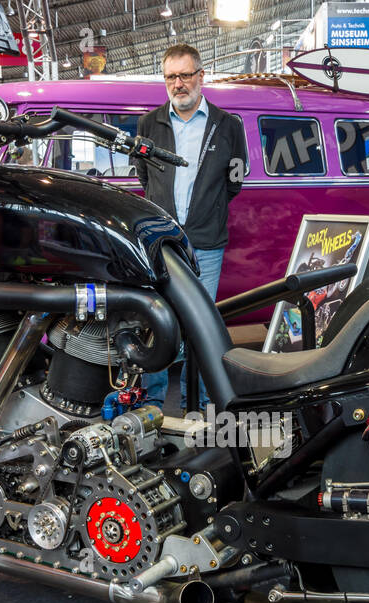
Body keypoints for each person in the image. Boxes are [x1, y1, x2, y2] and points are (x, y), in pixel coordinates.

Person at [132, 43, 246, 411]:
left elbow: (235, 179)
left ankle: (195, 403)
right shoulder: (149, 124)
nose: (178, 84)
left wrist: (205, 210)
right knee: (155, 319)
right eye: (170, 77)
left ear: (201, 76)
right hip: (158, 242)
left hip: (205, 243)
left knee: (200, 323)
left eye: (184, 75)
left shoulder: (228, 125)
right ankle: (151, 403)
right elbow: (143, 175)